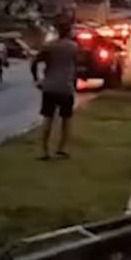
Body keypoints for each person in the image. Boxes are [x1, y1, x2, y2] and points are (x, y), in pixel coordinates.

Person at [31, 22, 80, 160]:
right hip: (66, 87)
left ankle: (44, 150)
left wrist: (36, 79)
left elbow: (34, 62)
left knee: (48, 118)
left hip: (50, 86)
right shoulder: (74, 47)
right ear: (69, 32)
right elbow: (76, 67)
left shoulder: (50, 46)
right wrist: (74, 84)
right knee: (66, 119)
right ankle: (61, 149)